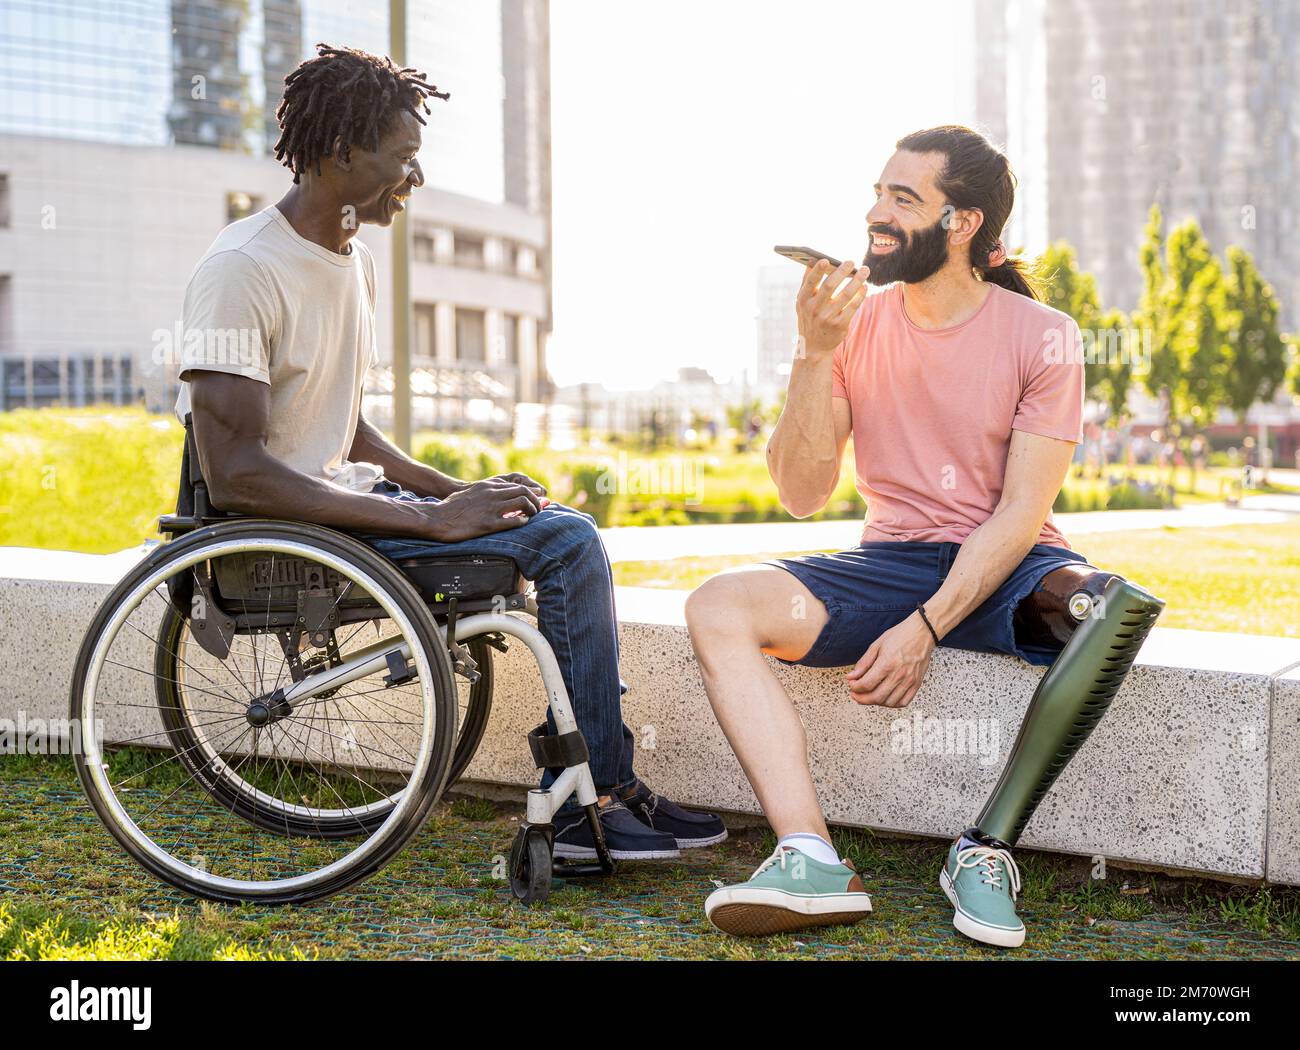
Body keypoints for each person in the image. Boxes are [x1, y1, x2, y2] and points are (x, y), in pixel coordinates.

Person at [171, 43, 725, 862]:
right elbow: (238, 474)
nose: (414, 180)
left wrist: (450, 490)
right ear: (340, 152)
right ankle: (592, 799)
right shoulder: (241, 269)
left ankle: (602, 783)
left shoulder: (350, 260)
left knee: (548, 517)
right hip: (287, 537)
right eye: (403, 160)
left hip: (347, 514)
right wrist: (432, 523)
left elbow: (342, 425)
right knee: (568, 544)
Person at [686, 125, 1162, 947]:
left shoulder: (1044, 333)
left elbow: (1019, 513)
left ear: (962, 222)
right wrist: (812, 353)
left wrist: (926, 628)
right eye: (877, 192)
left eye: (904, 199)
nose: (877, 213)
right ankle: (810, 857)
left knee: (1112, 608)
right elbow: (801, 494)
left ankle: (985, 848)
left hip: (1012, 567)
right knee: (718, 604)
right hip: (891, 562)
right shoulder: (854, 329)